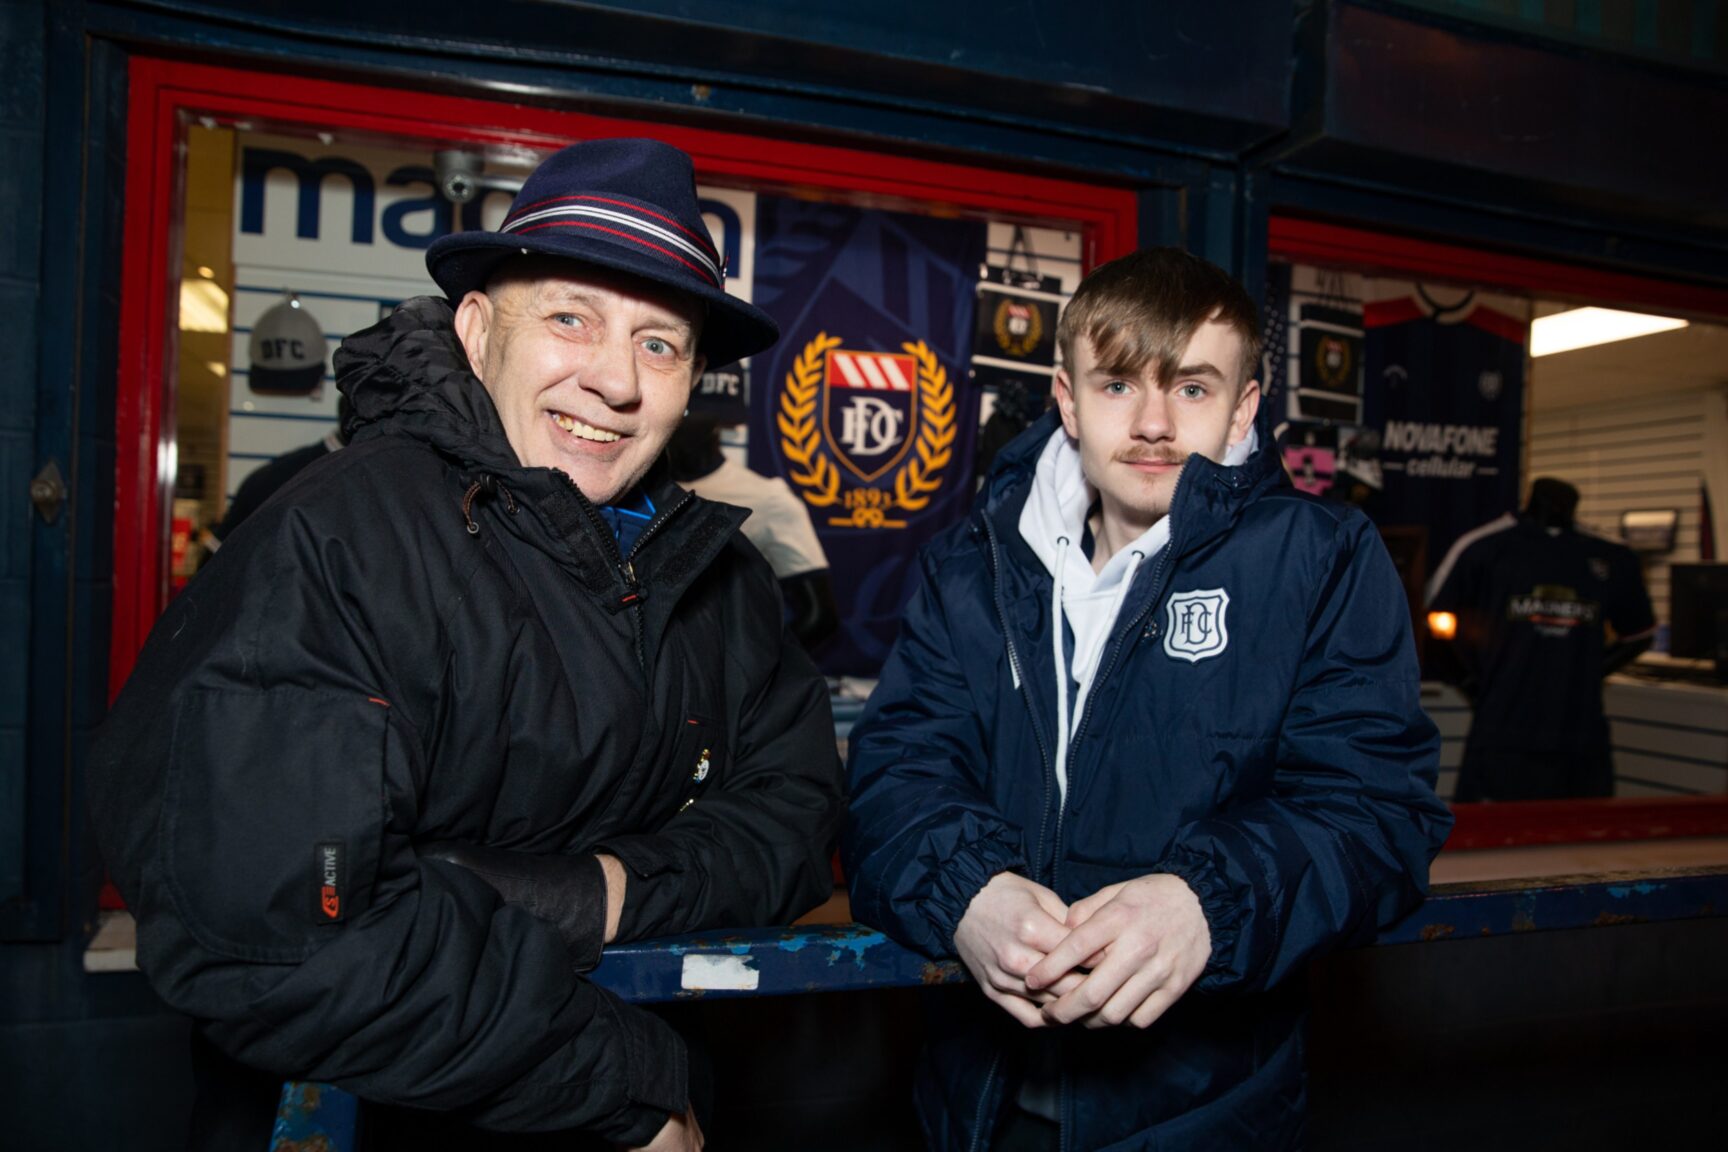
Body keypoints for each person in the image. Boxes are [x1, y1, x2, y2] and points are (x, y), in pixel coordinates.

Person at [88, 138, 844, 1151]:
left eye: (659, 343)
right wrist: (625, 1087)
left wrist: (602, 892)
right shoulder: (339, 538)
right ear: (478, 326)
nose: (615, 381)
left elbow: (794, 816)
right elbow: (278, 936)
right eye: (571, 319)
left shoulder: (721, 578)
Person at [843, 247, 1451, 1150]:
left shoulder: (1319, 557)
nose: (1156, 424)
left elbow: (1377, 814)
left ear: (1246, 405)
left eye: (1195, 389)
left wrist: (1211, 901)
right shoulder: (973, 565)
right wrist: (963, 890)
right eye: (1120, 385)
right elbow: (894, 772)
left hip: (1204, 1110)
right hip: (976, 1099)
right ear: (1066, 397)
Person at [1427, 476, 1656, 800]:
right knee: (1492, 839)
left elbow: (1640, 633)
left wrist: (1589, 672)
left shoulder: (1611, 557)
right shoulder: (1485, 547)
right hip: (1502, 734)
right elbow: (1435, 623)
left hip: (1580, 737)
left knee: (1584, 843)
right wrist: (1471, 683)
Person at [665, 412, 839, 650]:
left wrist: (750, 671)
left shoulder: (766, 500)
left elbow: (820, 616)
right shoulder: (630, 491)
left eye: (690, 409)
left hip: (714, 669)